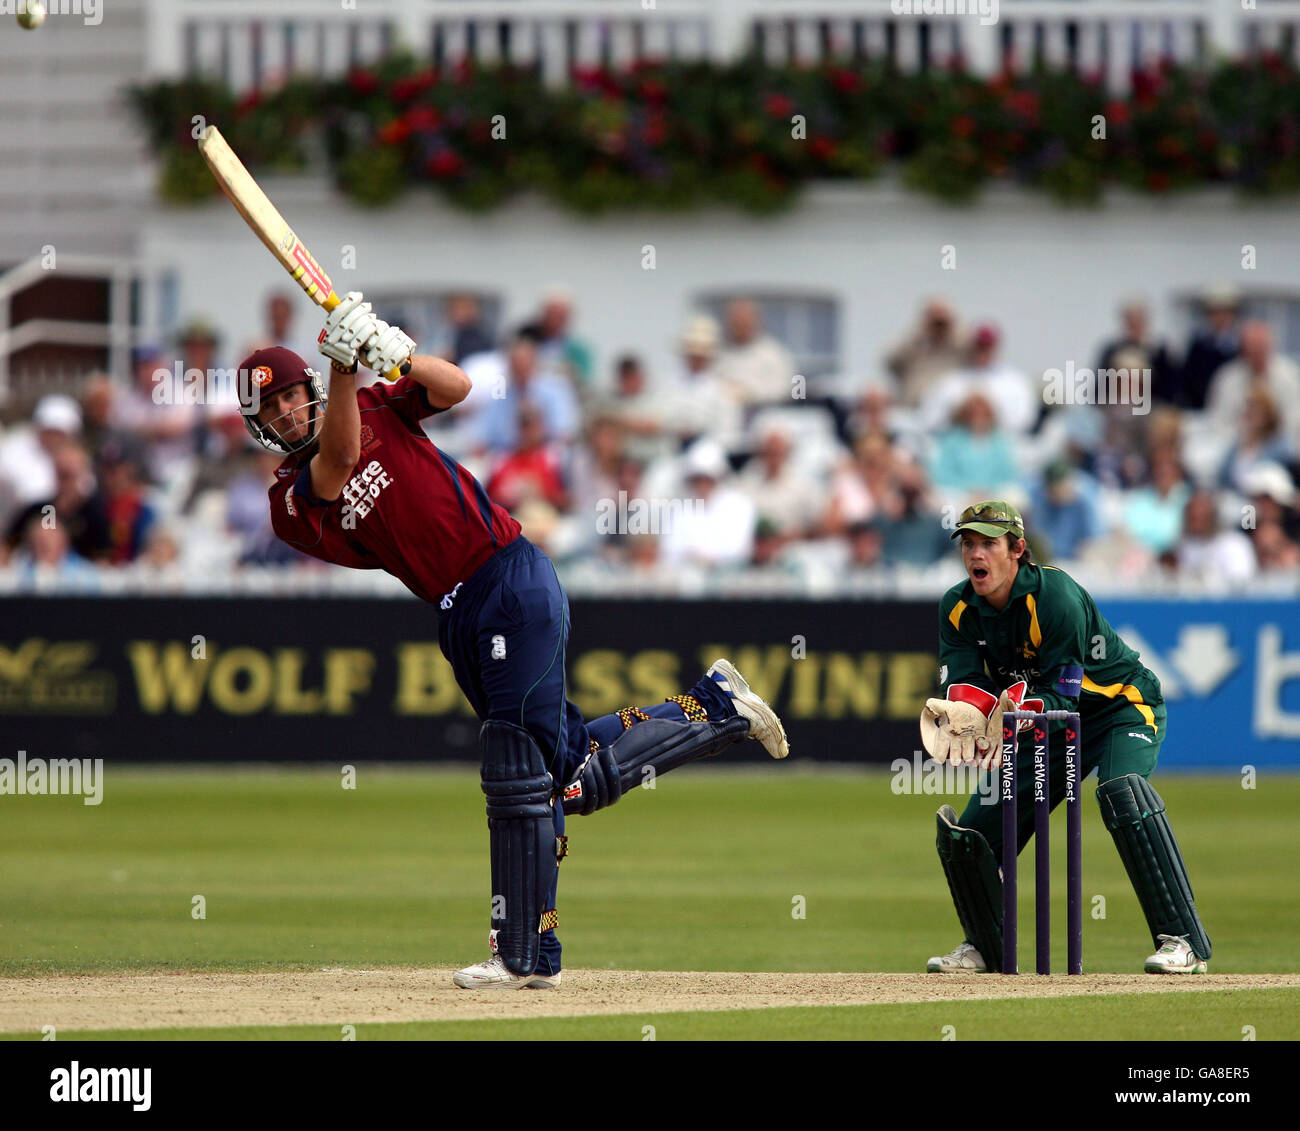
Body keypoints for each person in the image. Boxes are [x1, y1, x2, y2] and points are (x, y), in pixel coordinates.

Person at [239, 291, 789, 990]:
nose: (287, 411)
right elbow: (340, 460)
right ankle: (715, 709)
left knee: (515, 764)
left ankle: (522, 955)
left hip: (506, 573)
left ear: (310, 388)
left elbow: (457, 386)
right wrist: (347, 368)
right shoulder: (288, 501)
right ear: (257, 425)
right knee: (564, 773)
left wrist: (391, 351)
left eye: (292, 394)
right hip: (458, 610)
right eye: (271, 408)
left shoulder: (376, 403)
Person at [920, 500, 1212, 974]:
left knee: (1122, 794)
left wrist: (1004, 716)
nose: (977, 554)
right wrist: (966, 719)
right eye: (969, 544)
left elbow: (1064, 694)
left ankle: (1184, 943)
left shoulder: (1055, 596)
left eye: (989, 544)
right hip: (1045, 726)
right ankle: (984, 947)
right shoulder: (957, 607)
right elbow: (966, 689)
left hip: (1119, 708)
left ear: (1017, 550)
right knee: (968, 837)